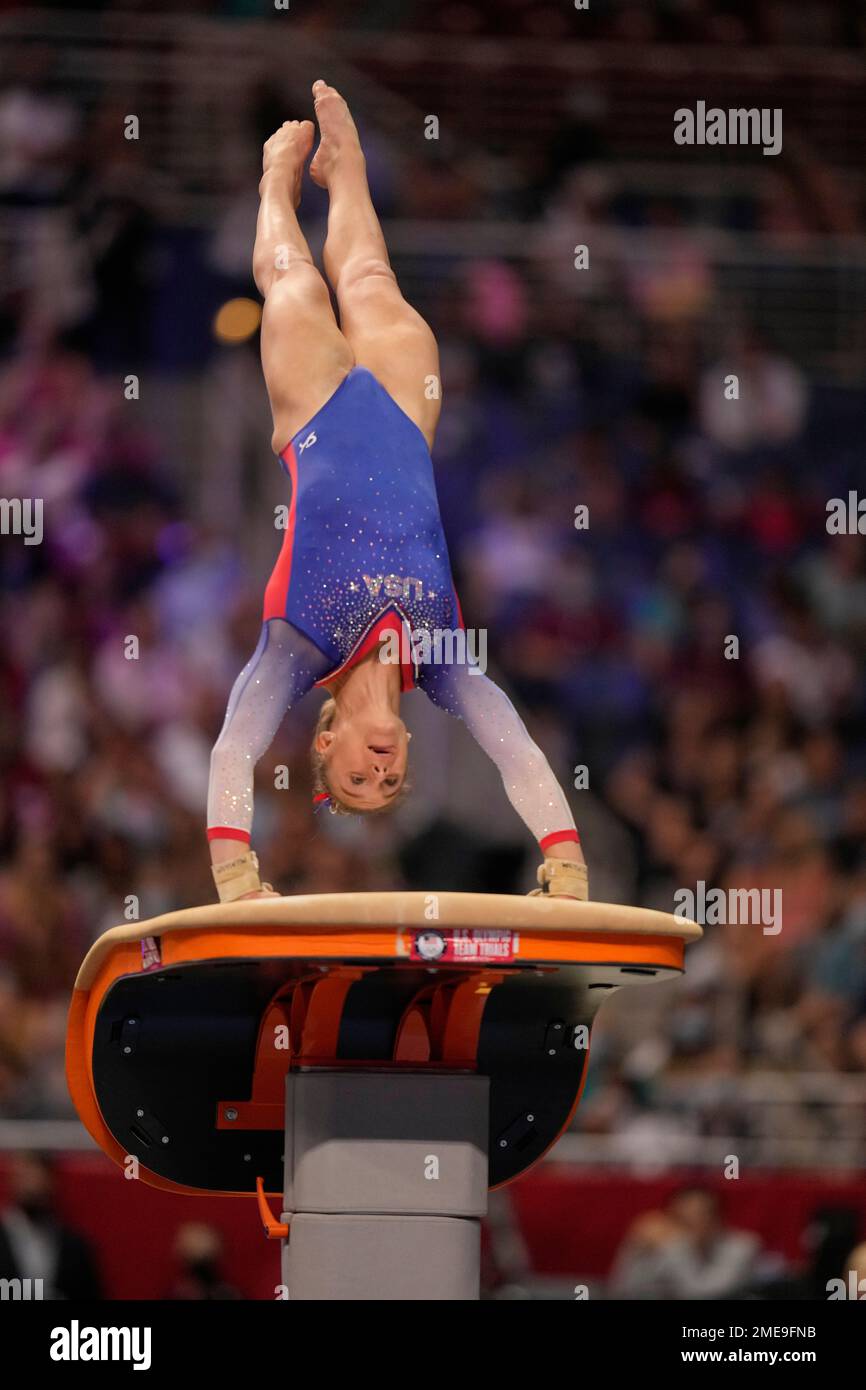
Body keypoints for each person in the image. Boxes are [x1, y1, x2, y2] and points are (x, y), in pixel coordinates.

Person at [206, 81, 587, 905]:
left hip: (315, 415)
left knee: (292, 277)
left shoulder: (297, 649)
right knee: (371, 276)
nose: (379, 776)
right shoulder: (439, 659)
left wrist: (237, 875)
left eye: (354, 781)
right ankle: (346, 174)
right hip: (406, 419)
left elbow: (234, 747)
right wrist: (564, 859)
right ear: (407, 748)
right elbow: (513, 743)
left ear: (329, 739)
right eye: (390, 785)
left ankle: (274, 184)